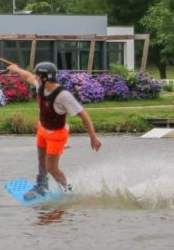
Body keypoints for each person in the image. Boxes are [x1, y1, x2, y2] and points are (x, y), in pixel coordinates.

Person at [6, 61, 102, 199]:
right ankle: (41, 187)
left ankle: (68, 191)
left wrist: (93, 137)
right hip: (42, 130)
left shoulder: (63, 96)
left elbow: (83, 115)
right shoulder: (40, 84)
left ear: (45, 77)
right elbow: (27, 76)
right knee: (41, 162)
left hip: (57, 135)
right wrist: (16, 69)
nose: (35, 77)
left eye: (38, 75)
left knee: (51, 167)